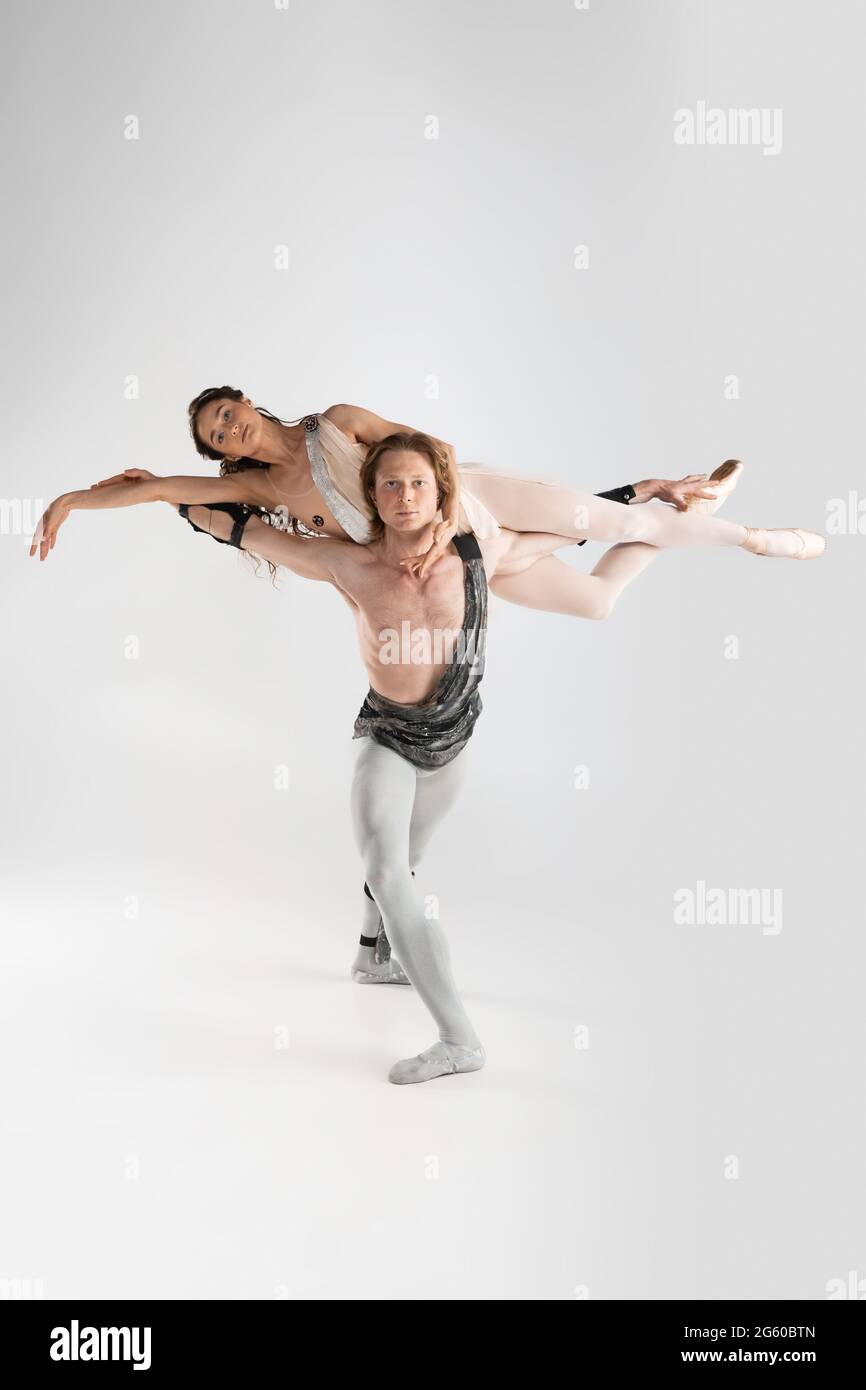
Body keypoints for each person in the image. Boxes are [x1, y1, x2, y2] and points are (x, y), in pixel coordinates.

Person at [29, 392, 825, 597]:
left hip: (457, 495)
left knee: (602, 523)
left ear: (247, 402)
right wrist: (71, 499)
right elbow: (156, 491)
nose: (228, 430)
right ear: (215, 451)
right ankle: (665, 496)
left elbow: (430, 446)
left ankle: (760, 538)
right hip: (430, 542)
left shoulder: (333, 422)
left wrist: (446, 503)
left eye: (227, 413)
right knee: (578, 574)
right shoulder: (254, 488)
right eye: (215, 433)